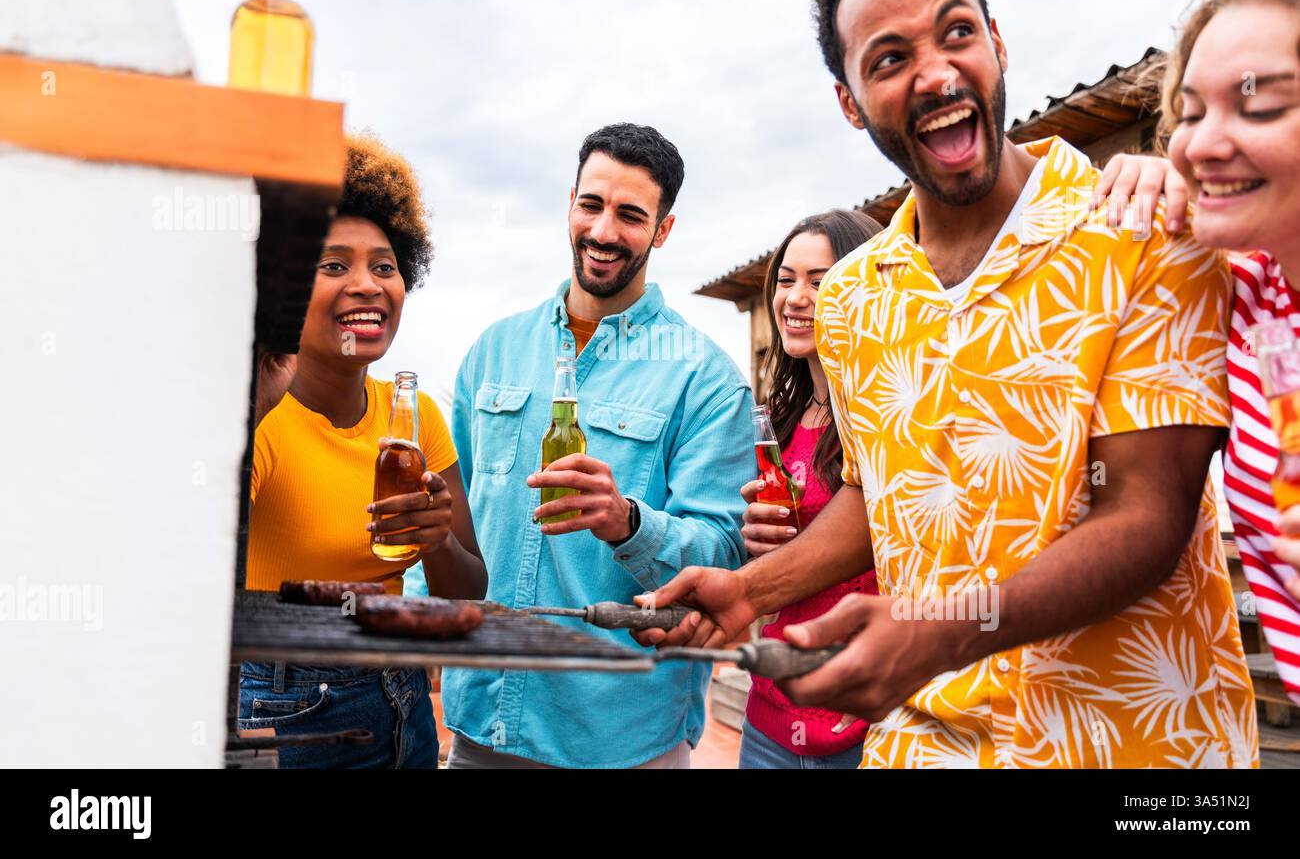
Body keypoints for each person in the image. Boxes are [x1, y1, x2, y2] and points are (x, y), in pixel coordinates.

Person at [635, 0, 1257, 768]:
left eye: (957, 31)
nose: (935, 72)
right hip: (923, 749)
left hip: (1137, 752)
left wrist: (933, 634)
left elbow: (1147, 513)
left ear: (997, 45)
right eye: (888, 59)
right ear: (850, 102)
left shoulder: (1140, 230)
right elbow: (878, 498)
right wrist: (749, 590)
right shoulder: (852, 298)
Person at [406, 122, 753, 769]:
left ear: (662, 231)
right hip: (482, 723)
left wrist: (629, 524)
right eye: (591, 205)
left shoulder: (705, 378)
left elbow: (725, 563)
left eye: (630, 215)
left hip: (622, 736)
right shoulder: (493, 352)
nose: (602, 231)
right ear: (570, 203)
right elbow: (454, 528)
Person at [239, 131, 487, 768]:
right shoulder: (261, 416)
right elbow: (181, 558)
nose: (367, 284)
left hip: (399, 694)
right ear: (284, 284)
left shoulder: (416, 419)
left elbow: (468, 591)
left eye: (384, 266)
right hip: (286, 706)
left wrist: (436, 540)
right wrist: (248, 404)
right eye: (332, 265)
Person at [1161, 0, 1300, 705]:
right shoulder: (1251, 297)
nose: (1202, 145)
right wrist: (1146, 179)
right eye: (1191, 112)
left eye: (1260, 107)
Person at [738, 209, 881, 769]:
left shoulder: (889, 412)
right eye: (786, 278)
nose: (796, 297)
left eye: (821, 282)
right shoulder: (781, 417)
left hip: (862, 720)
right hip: (770, 716)